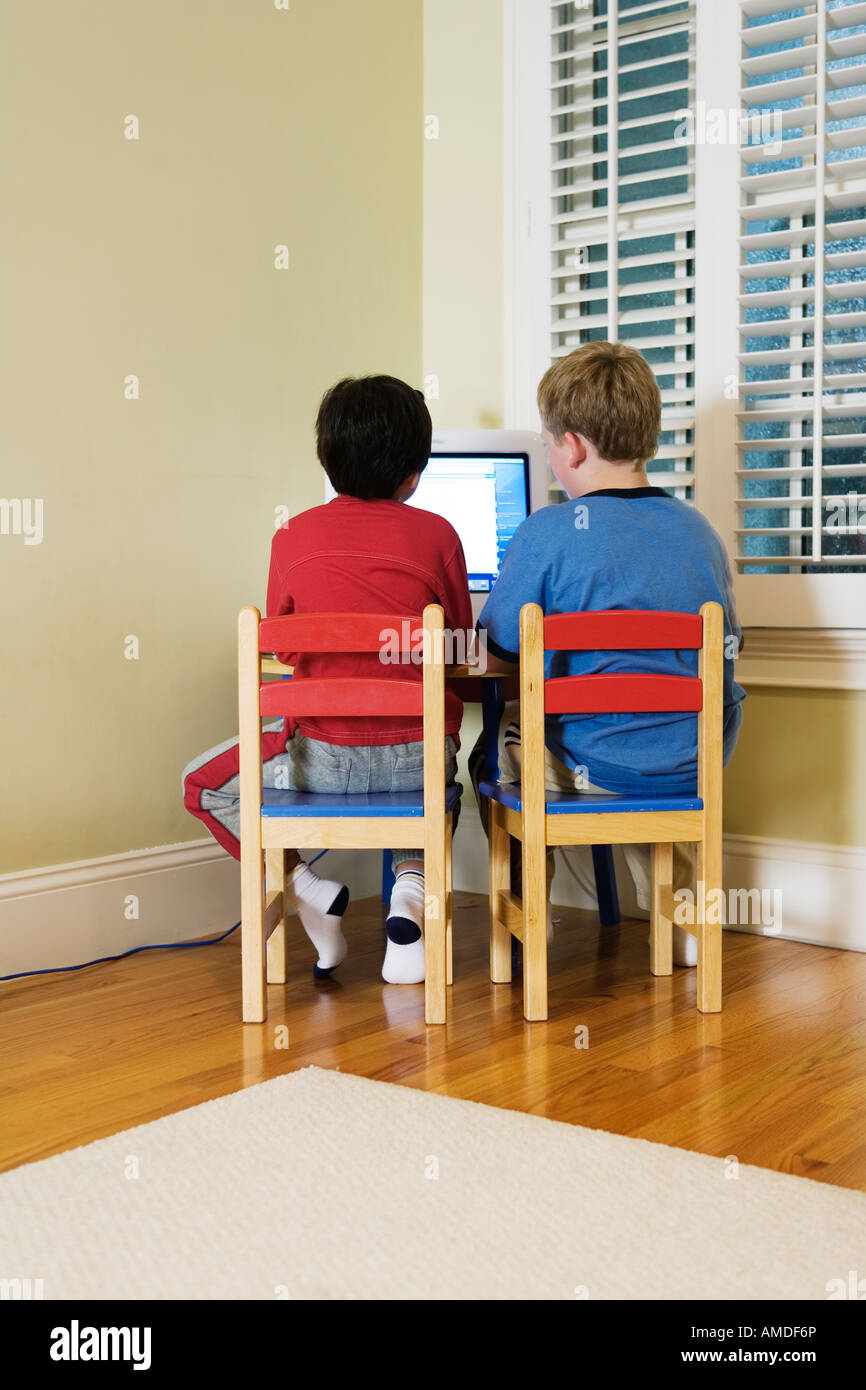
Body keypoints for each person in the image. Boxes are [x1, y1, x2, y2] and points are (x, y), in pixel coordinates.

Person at [183, 376, 472, 984]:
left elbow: (285, 646)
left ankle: (303, 884)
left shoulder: (292, 536)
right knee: (436, 779)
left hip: (321, 760)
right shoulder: (439, 535)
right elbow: (458, 653)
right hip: (418, 759)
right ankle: (411, 892)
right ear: (416, 471)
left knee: (200, 786)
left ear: (328, 459)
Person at [469, 341, 745, 966]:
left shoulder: (548, 531)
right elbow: (729, 646)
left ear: (570, 446)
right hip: (688, 762)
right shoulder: (699, 530)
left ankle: (525, 923)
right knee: (667, 738)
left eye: (546, 445)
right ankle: (683, 925)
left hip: (592, 764)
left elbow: (504, 640)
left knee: (496, 752)